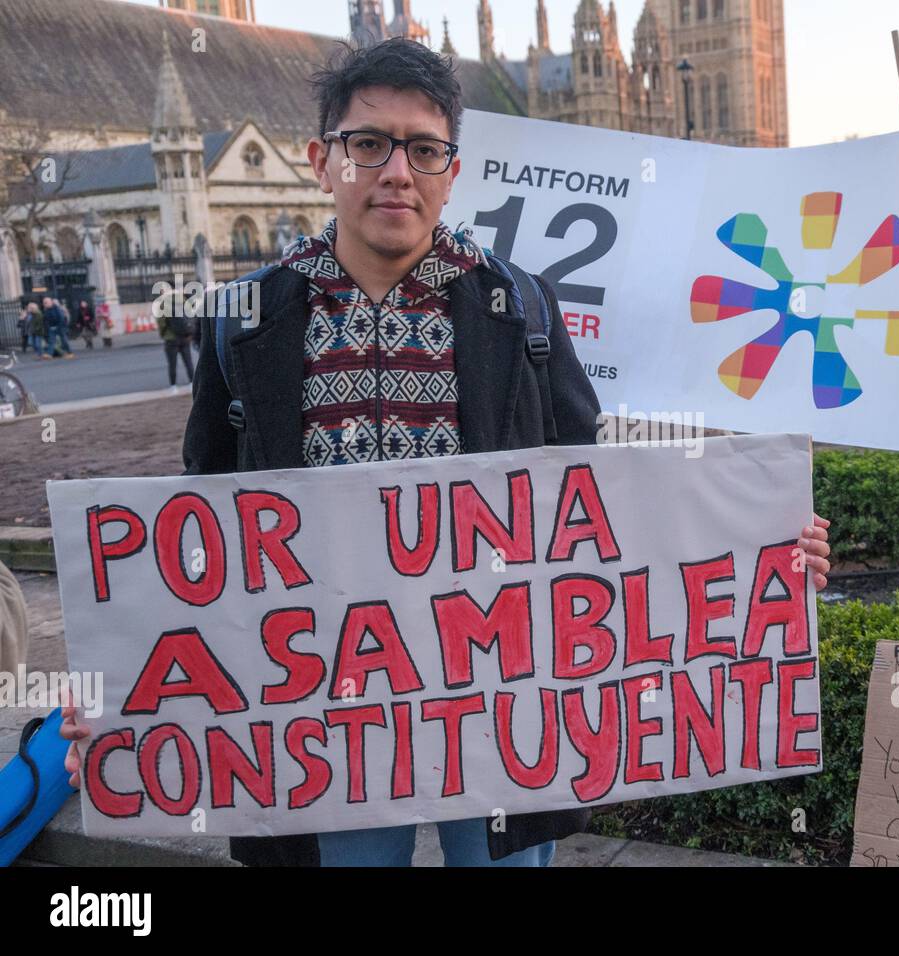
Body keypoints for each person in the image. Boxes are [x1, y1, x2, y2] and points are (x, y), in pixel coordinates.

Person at [60, 37, 836, 868]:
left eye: (424, 149)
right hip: (322, 710)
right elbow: (202, 521)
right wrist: (123, 674)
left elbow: (604, 498)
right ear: (323, 163)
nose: (398, 170)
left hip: (501, 701)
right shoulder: (246, 319)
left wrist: (756, 544)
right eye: (370, 144)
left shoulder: (523, 309)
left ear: (451, 170)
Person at [156, 300, 195, 390]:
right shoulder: (183, 300)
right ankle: (192, 382)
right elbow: (191, 316)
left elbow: (161, 322)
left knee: (172, 363)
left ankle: (173, 386)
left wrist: (163, 334)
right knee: (188, 361)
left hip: (171, 338)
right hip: (185, 336)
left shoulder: (164, 303)